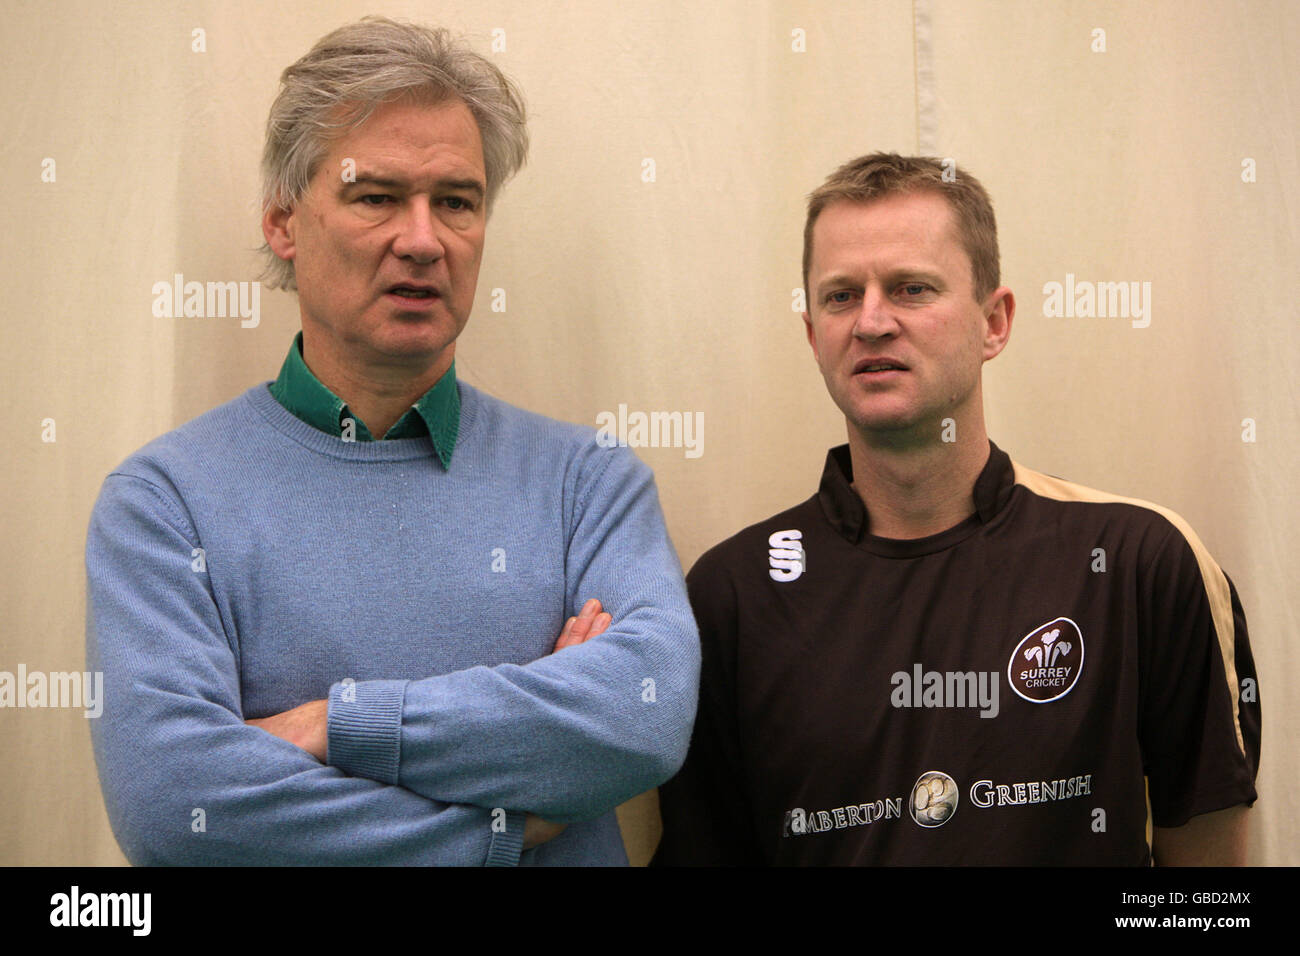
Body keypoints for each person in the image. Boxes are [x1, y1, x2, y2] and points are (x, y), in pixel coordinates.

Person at [86, 17, 699, 866]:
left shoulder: (588, 483)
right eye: (376, 197)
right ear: (283, 224)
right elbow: (176, 803)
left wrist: (331, 726)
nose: (423, 240)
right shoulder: (165, 504)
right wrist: (507, 826)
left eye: (456, 201)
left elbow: (644, 712)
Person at [653, 153, 1260, 865]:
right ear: (813, 334)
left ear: (993, 322)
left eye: (912, 289)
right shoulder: (732, 596)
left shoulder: (1138, 563)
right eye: (841, 296)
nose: (872, 322)